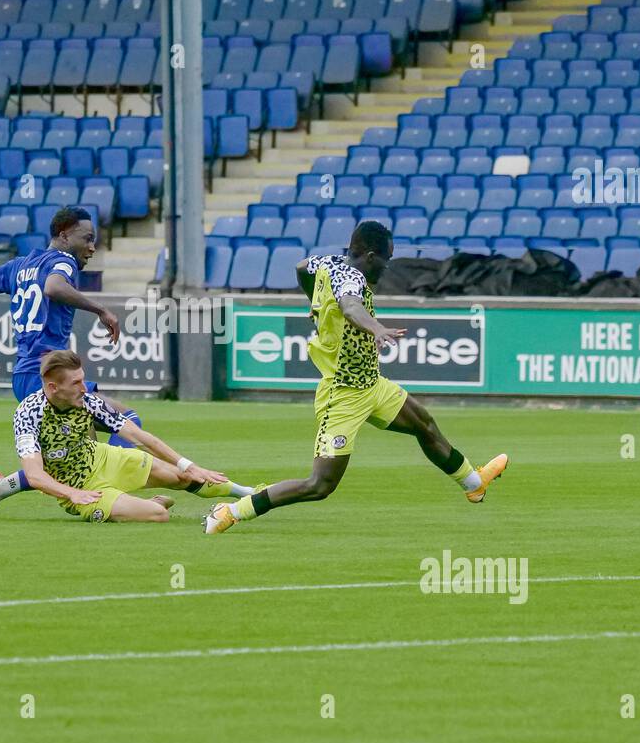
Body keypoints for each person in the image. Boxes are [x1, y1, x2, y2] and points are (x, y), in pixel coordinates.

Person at [203, 220, 508, 535]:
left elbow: (301, 267)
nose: (386, 270)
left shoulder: (327, 263)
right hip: (343, 394)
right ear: (372, 256)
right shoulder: (352, 278)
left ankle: (474, 483)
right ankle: (231, 511)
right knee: (320, 485)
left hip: (372, 385)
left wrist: (314, 302)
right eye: (386, 262)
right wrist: (377, 328)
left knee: (424, 425)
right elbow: (350, 307)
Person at [0, 207, 147, 519]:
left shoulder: (18, 266)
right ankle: (107, 500)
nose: (92, 246)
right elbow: (54, 287)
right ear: (64, 235)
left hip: (25, 373)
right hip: (48, 375)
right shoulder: (63, 261)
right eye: (87, 238)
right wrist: (101, 309)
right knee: (126, 419)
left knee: (79, 451)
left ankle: (1, 488)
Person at [13, 350, 256, 523]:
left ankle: (248, 493)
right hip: (80, 488)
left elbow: (140, 437)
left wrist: (189, 465)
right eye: (76, 383)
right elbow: (34, 475)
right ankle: (149, 504)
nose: (85, 388)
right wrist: (72, 494)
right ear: (54, 388)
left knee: (184, 477)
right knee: (158, 515)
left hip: (105, 459)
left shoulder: (88, 402)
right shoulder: (28, 414)